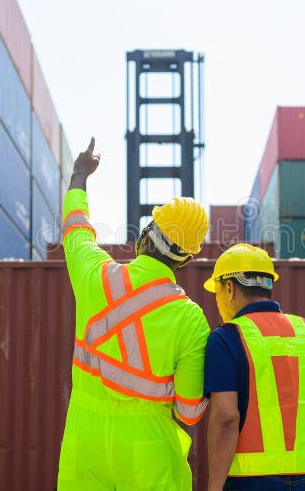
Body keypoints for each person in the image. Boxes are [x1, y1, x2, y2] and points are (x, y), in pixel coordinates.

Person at [57, 137, 211, 490]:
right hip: (149, 455)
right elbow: (189, 410)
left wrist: (79, 176)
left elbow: (76, 232)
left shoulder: (95, 276)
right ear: (187, 259)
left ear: (146, 233)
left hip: (85, 444)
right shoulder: (189, 319)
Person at [203, 243, 305, 491]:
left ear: (229, 288)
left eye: (216, 291)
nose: (217, 300)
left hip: (251, 481)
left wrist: (214, 487)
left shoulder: (227, 337)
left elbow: (226, 418)